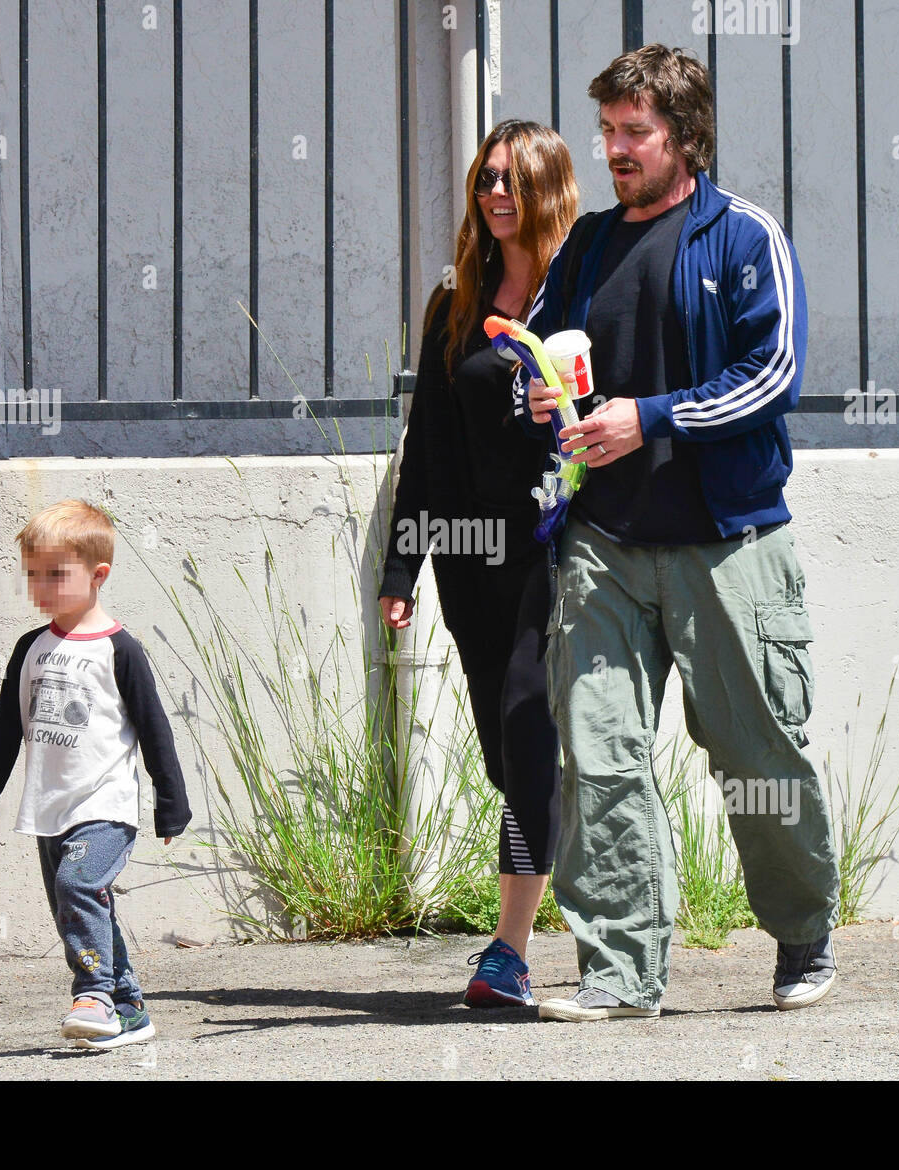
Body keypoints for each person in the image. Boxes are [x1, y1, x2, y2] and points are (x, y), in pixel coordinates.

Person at [517, 45, 841, 1022]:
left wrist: (648, 418)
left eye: (635, 132)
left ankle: (802, 931)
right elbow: (539, 352)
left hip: (725, 542)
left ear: (685, 137)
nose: (615, 149)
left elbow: (772, 374)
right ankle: (620, 970)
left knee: (755, 756)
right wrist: (541, 395)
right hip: (601, 544)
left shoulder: (743, 237)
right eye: (607, 131)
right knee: (599, 753)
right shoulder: (585, 248)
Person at [379, 120, 580, 1007]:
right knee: (507, 759)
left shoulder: (581, 293)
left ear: (546, 187)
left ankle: (509, 950)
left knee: (529, 732)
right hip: (470, 559)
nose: (496, 193)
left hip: (553, 551)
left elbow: (612, 410)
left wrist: (564, 408)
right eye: (485, 179)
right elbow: (427, 443)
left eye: (512, 179)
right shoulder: (454, 303)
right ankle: (559, 864)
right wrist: (403, 566)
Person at [0, 498, 192, 1048]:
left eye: (55, 574)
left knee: (77, 885)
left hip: (105, 805)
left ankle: (92, 995)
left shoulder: (120, 650)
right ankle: (130, 1008)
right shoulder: (30, 649)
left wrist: (170, 803)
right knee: (80, 905)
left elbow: (155, 729)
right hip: (51, 808)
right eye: (33, 575)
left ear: (98, 574)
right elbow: (5, 725)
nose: (40, 587)